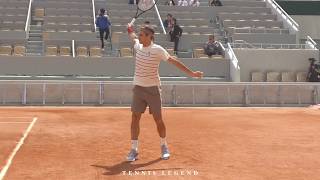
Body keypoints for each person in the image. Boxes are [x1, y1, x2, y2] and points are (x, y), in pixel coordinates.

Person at [126, 23, 203, 161]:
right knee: (134, 118)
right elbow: (132, 36)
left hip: (153, 89)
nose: (139, 36)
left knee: (158, 120)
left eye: (142, 34)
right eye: (140, 34)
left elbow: (173, 61)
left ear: (150, 36)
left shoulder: (158, 50)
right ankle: (134, 149)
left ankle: (164, 146)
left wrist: (191, 73)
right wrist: (129, 28)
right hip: (138, 88)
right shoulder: (138, 46)